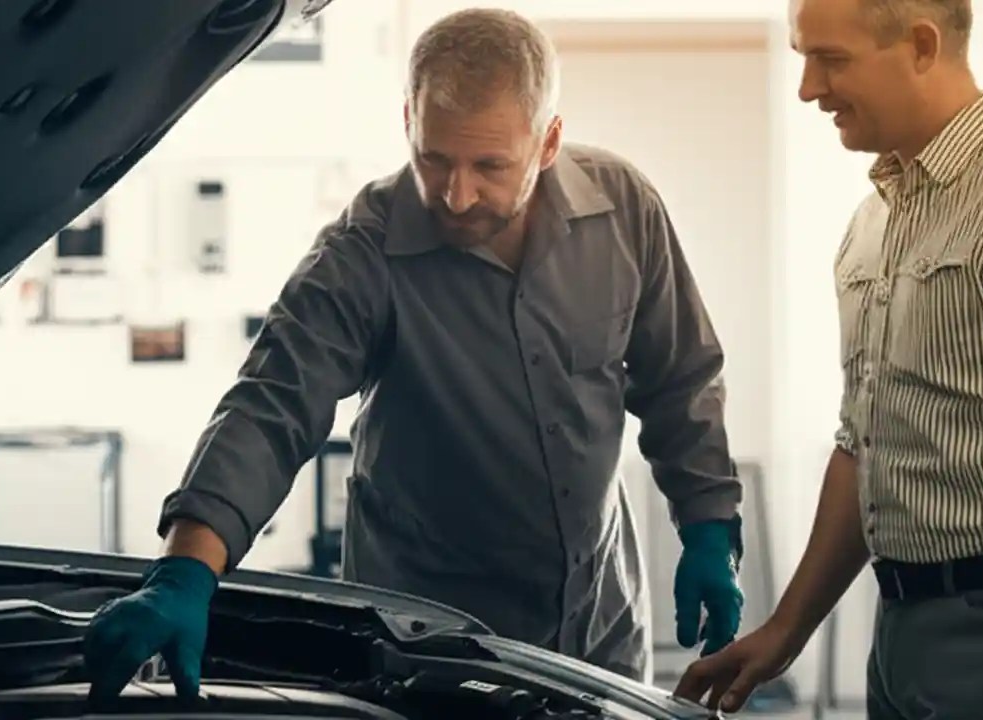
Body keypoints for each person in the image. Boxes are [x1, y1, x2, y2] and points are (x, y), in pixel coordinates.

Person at [81, 7, 745, 700]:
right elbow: (271, 405)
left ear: (548, 142)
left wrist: (708, 529)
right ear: (408, 122)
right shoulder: (363, 251)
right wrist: (183, 574)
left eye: (490, 166)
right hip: (429, 657)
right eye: (434, 158)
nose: (456, 195)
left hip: (601, 640)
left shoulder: (624, 211)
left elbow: (681, 380)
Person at [673, 0, 983, 717]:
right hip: (900, 632)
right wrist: (785, 630)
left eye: (831, 60)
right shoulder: (872, 223)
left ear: (922, 45)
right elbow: (861, 449)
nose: (808, 87)